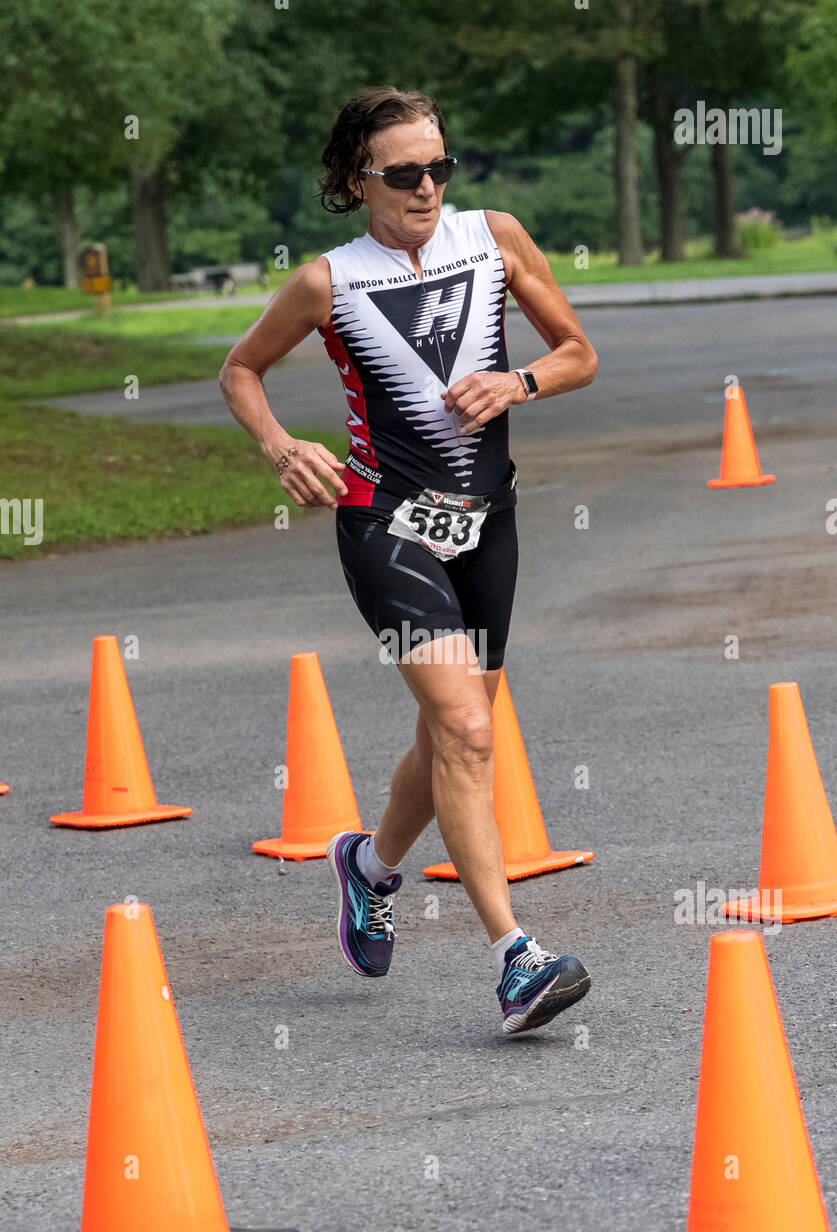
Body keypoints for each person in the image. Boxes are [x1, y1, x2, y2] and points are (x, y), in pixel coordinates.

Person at [219, 86, 598, 1034]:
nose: (427, 185)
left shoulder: (495, 238)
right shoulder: (326, 283)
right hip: (384, 521)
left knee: (450, 737)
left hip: (489, 521)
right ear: (360, 181)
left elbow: (579, 353)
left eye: (439, 165)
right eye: (403, 172)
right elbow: (239, 369)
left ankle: (368, 868)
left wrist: (518, 380)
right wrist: (280, 445)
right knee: (468, 729)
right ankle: (516, 958)